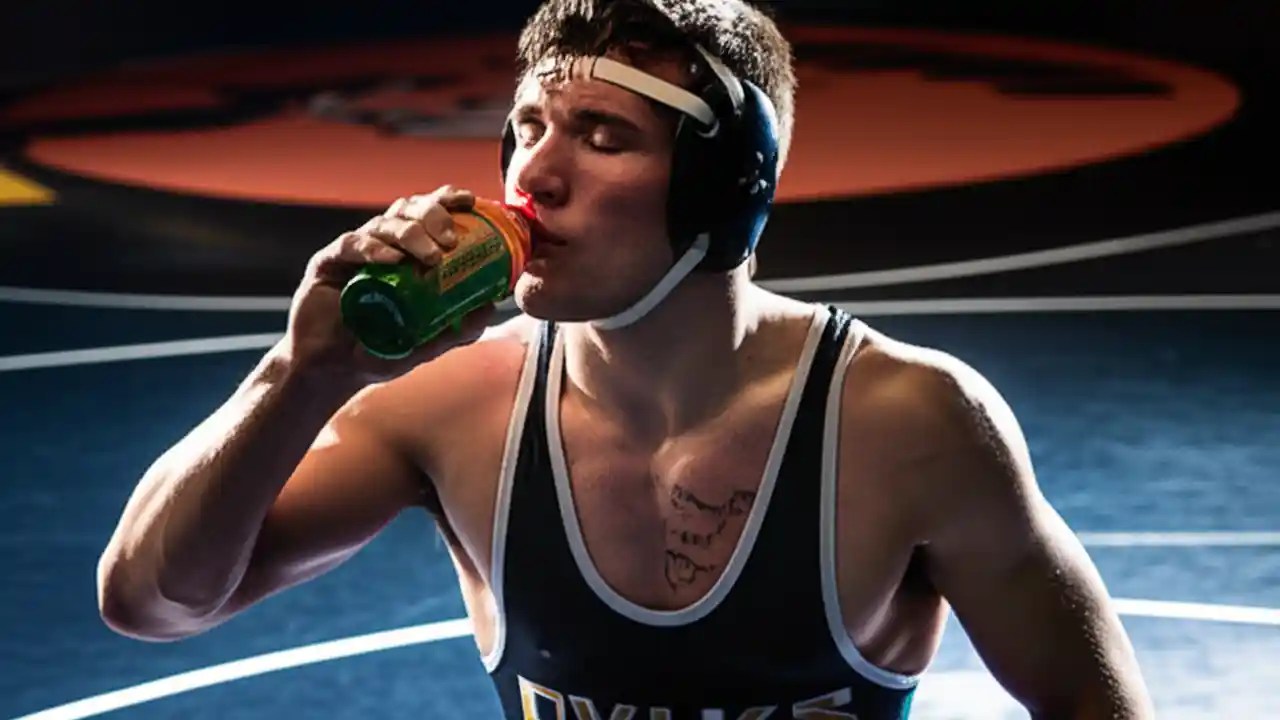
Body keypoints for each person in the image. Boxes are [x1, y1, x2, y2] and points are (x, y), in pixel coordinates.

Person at [97, 1, 1154, 717]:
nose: (533, 176)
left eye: (601, 136)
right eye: (525, 128)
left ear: (719, 187)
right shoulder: (445, 403)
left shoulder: (909, 424)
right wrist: (305, 373)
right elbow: (152, 602)